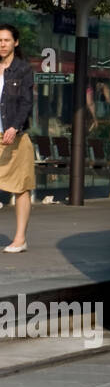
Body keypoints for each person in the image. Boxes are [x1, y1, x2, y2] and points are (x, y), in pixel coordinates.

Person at [0, 25, 35, 253]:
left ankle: (20, 238)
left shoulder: (22, 70)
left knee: (20, 187)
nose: (2, 44)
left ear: (16, 43)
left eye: (6, 40)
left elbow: (26, 102)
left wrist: (14, 126)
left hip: (14, 137)